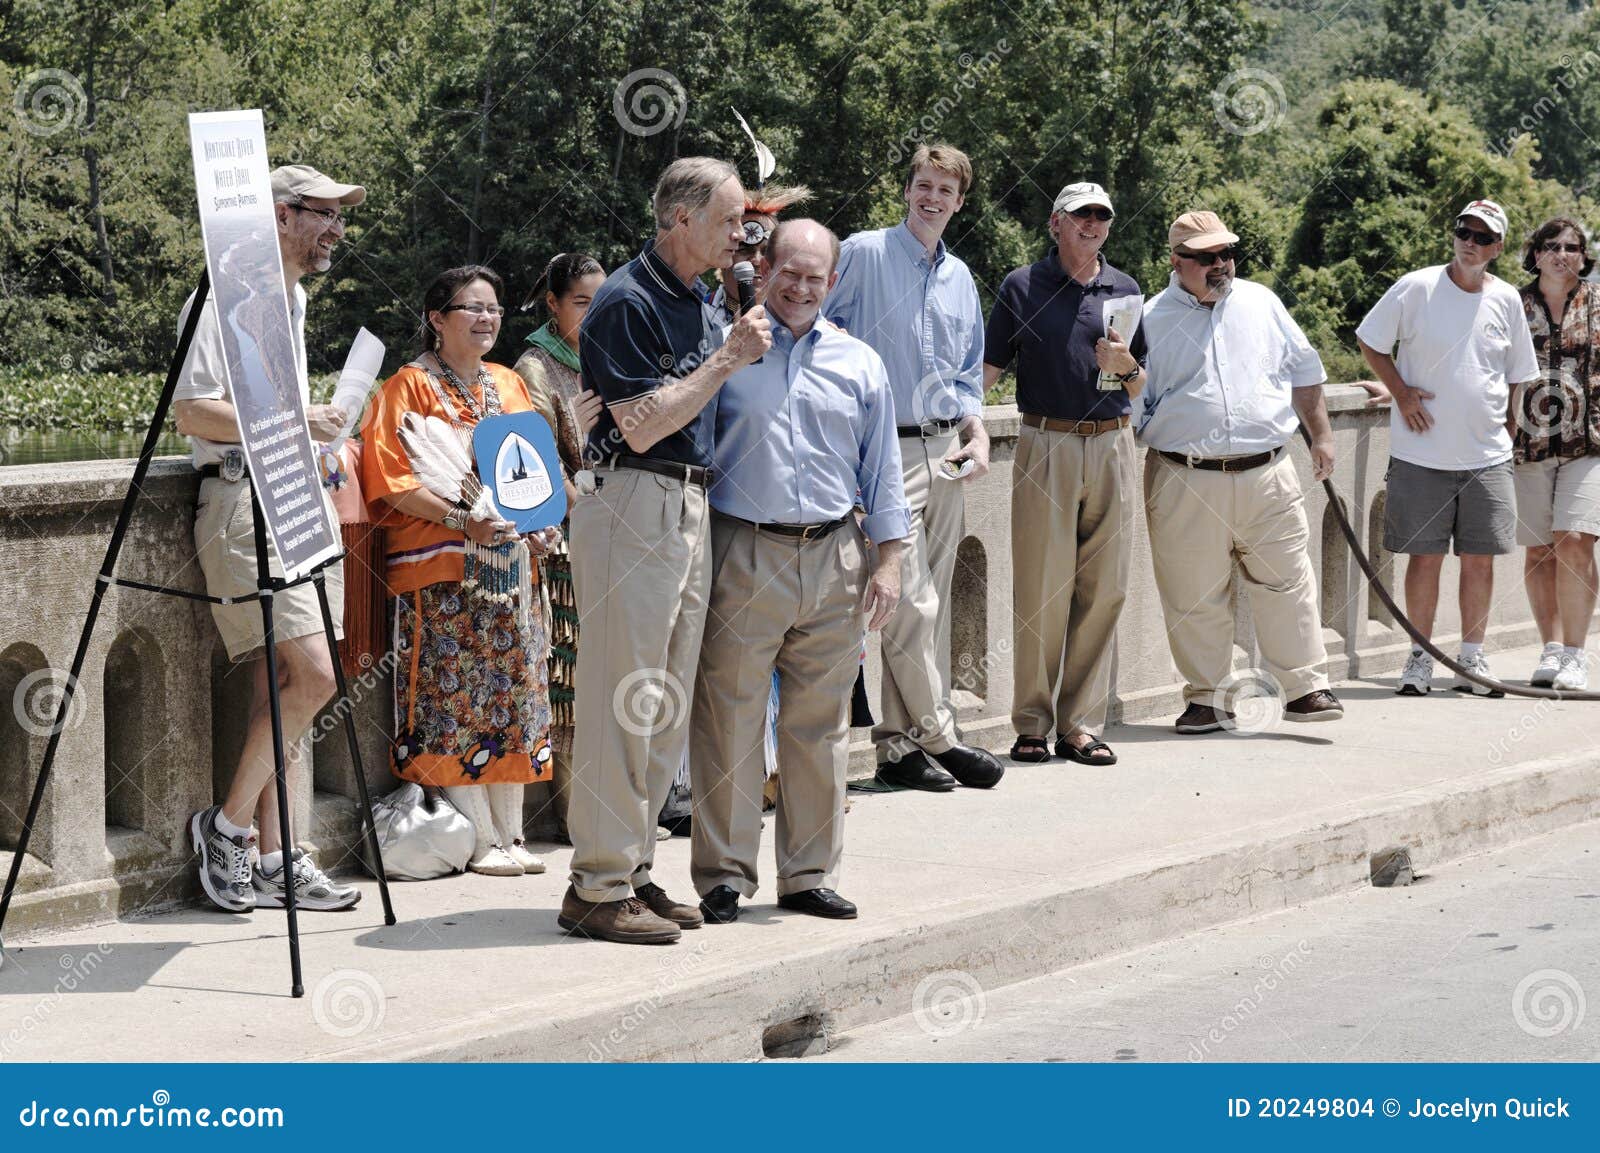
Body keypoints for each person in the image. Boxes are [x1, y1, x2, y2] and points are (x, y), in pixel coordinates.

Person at [561, 157, 771, 945]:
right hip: (636, 499)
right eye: (726, 220)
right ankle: (596, 884)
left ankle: (633, 867)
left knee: (661, 699)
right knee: (625, 694)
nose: (740, 234)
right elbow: (642, 422)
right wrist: (727, 359)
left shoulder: (699, 298)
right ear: (680, 219)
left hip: (685, 500)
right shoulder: (626, 299)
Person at [690, 218, 909, 924]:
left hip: (835, 552)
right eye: (791, 272)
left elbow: (884, 470)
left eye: (816, 277)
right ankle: (724, 875)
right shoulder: (728, 351)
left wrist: (890, 561)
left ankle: (808, 872)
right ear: (766, 266)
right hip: (744, 547)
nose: (802, 286)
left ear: (832, 283)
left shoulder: (860, 362)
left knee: (819, 725)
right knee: (730, 716)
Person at [176, 164, 363, 914]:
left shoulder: (291, 300)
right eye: (323, 214)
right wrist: (294, 424)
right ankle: (226, 829)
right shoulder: (223, 296)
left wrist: (310, 440)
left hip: (289, 495)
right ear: (279, 216)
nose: (336, 231)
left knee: (281, 685)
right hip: (240, 499)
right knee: (315, 676)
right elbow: (196, 412)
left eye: (340, 218)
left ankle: (279, 855)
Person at [360, 265, 560, 876]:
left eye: (494, 308)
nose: (486, 318)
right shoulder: (406, 386)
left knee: (515, 693)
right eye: (471, 308)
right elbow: (391, 481)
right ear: (437, 319)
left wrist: (542, 525)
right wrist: (460, 519)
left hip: (509, 568)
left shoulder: (508, 384)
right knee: (453, 696)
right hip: (442, 567)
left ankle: (512, 834)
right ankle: (475, 838)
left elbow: (529, 472)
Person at [824, 142, 1004, 792]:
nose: (932, 199)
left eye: (945, 191)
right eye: (923, 185)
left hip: (946, 450)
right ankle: (941, 734)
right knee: (910, 599)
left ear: (960, 201)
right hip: (885, 449)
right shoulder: (864, 253)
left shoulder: (961, 280)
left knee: (931, 599)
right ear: (908, 190)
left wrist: (977, 435)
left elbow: (967, 376)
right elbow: (812, 328)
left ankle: (898, 750)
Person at [1139, 210, 1345, 733]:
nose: (1221, 264)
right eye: (1207, 257)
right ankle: (1209, 698)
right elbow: (1131, 402)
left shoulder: (1261, 301)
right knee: (1193, 592)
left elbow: (1305, 368)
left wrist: (1320, 434)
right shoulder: (1148, 318)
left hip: (1267, 470)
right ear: (1176, 261)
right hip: (1185, 475)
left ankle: (1304, 688)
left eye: (1227, 253)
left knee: (1288, 581)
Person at [983, 181, 1145, 765]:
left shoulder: (1125, 288)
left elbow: (1140, 383)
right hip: (1044, 442)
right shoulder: (1022, 286)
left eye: (1101, 216)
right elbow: (988, 370)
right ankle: (1030, 723)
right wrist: (951, 427)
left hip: (1113, 444)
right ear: (1056, 223)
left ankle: (1079, 724)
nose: (1092, 225)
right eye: (1081, 216)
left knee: (1105, 591)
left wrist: (1125, 365)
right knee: (1041, 590)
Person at [1356, 199, 1539, 696]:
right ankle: (1420, 658)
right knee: (1424, 559)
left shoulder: (1506, 300)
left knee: (1480, 560)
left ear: (1497, 248)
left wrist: (1510, 427)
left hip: (1488, 457)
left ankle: (1472, 661)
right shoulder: (1416, 287)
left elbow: (1520, 372)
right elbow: (1370, 341)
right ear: (1453, 235)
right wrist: (1399, 390)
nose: (1470, 242)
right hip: (1421, 453)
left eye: (1482, 237)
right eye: (1464, 231)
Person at [513, 252, 606, 840]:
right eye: (581, 303)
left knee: (609, 676)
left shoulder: (609, 352)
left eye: (602, 302)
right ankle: (578, 813)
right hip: (568, 538)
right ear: (553, 303)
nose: (593, 315)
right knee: (569, 679)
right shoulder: (535, 368)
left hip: (615, 524)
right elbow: (539, 462)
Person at [1512, 218, 1600, 690]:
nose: (1562, 254)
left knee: (1575, 540)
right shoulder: (1512, 303)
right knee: (1540, 551)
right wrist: (1398, 388)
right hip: (1527, 444)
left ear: (1584, 256)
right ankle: (1549, 648)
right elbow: (1477, 358)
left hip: (1590, 444)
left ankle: (1575, 654)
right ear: (1536, 253)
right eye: (1552, 246)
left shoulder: (1599, 302)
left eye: (1572, 247)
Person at [710, 183, 812, 322]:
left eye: (767, 252)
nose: (757, 261)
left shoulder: (803, 322)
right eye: (744, 249)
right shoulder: (694, 313)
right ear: (721, 255)